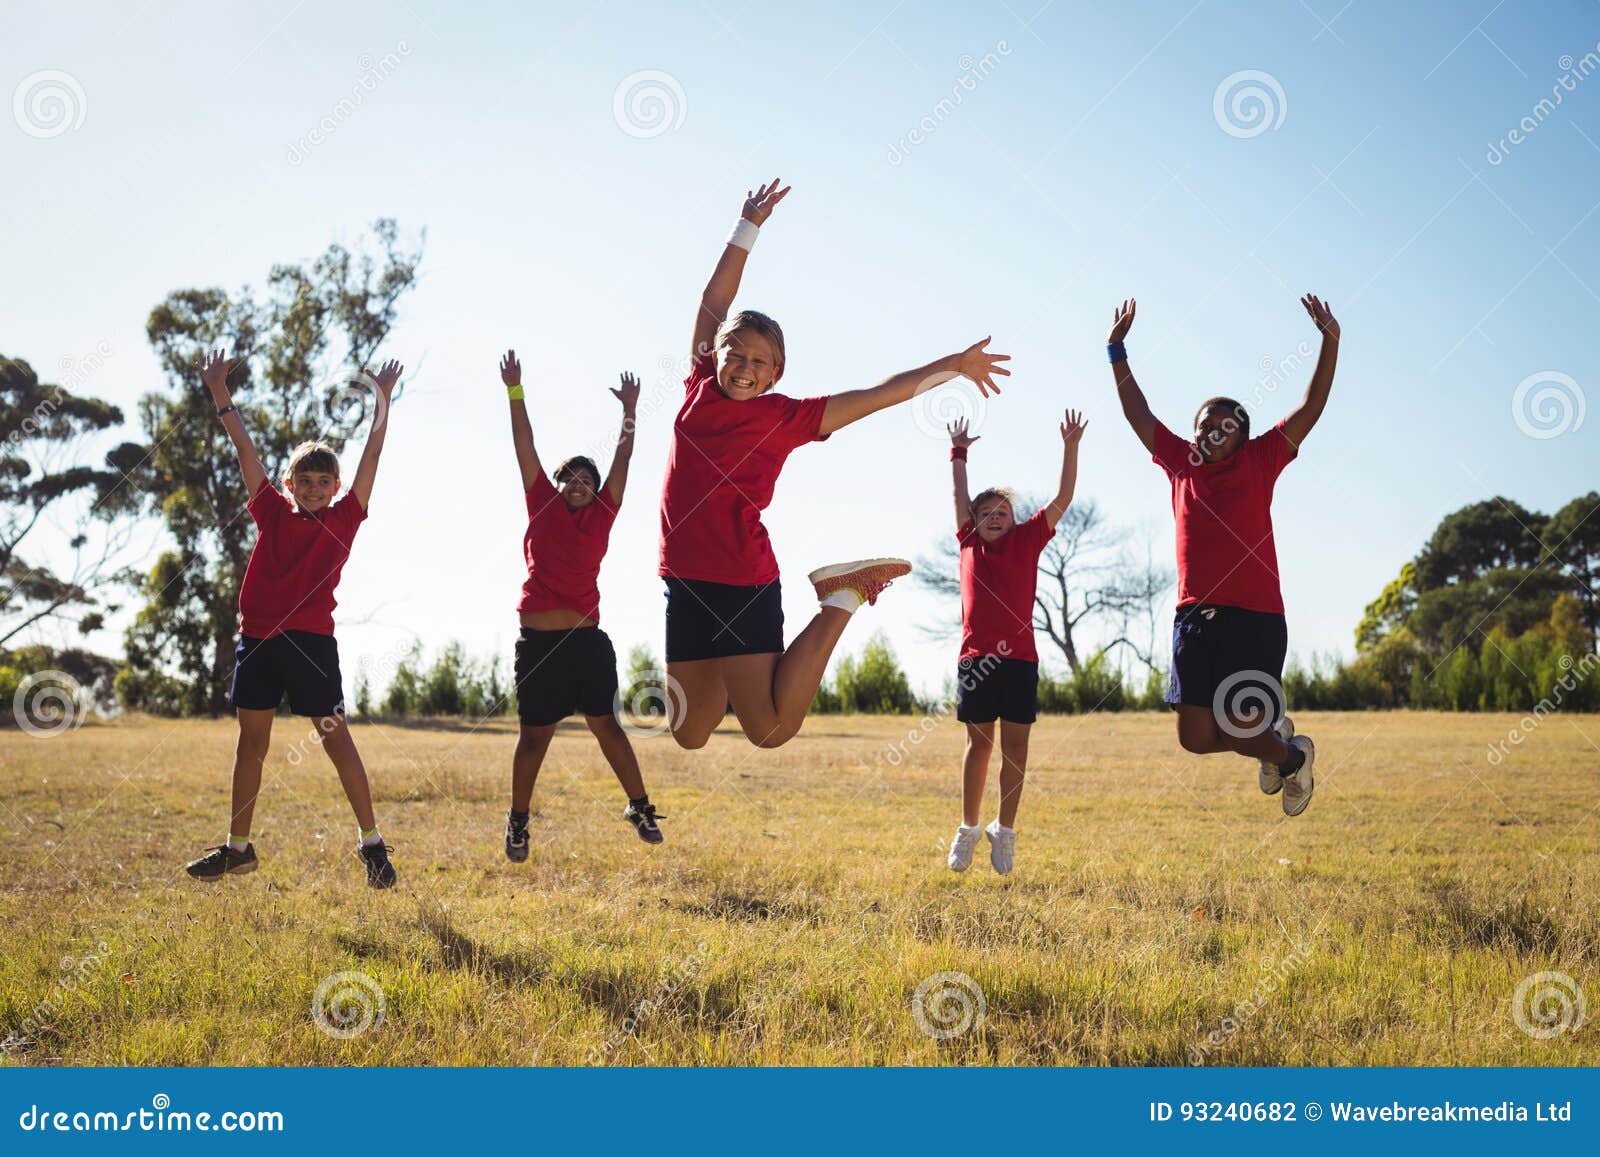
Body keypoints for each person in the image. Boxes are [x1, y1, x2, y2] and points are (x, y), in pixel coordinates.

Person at [662, 178, 1012, 750]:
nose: (744, 367)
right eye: (736, 353)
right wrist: (747, 227)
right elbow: (714, 301)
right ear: (716, 353)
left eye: (760, 361)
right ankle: (742, 660)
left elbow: (881, 393)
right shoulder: (698, 384)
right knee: (689, 732)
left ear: (776, 373)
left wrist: (954, 364)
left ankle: (842, 599)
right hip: (681, 577)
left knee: (770, 730)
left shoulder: (789, 417)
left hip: (740, 579)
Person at [1106, 294, 1339, 816]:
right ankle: (1282, 750)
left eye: (1226, 424)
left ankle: (1284, 754)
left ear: (1244, 436)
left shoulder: (1262, 460)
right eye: (1205, 422)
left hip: (1253, 617)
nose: (1213, 429)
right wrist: (1116, 351)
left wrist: (1331, 341)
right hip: (1193, 619)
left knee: (1239, 727)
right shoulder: (1179, 463)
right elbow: (1137, 413)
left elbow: (1311, 408)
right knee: (1194, 736)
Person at [184, 349, 400, 886]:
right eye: (304, 479)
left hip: (310, 643)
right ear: (289, 483)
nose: (313, 487)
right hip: (257, 641)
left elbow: (373, 459)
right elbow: (244, 449)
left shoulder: (347, 518)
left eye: (323, 480)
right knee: (250, 743)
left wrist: (383, 403)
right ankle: (238, 848)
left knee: (334, 736)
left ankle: (372, 846)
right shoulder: (271, 510)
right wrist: (219, 391)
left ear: (336, 486)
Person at [498, 352, 663, 862]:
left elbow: (625, 460)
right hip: (540, 645)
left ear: (596, 492)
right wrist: (515, 390)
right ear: (556, 483)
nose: (578, 483)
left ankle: (639, 806)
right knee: (534, 739)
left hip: (586, 643)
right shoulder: (540, 505)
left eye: (586, 479)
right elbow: (523, 443)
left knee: (607, 726)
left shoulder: (603, 514)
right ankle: (518, 821)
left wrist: (629, 410)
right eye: (569, 476)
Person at [944, 411, 1086, 874]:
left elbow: (1063, 498)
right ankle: (968, 828)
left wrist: (1070, 446)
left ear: (1014, 519)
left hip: (1020, 662)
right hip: (977, 661)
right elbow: (959, 496)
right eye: (985, 513)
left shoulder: (1029, 539)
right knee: (979, 745)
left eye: (1001, 512)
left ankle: (1003, 832)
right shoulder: (968, 541)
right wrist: (959, 452)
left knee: (1017, 750)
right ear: (973, 521)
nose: (992, 518)